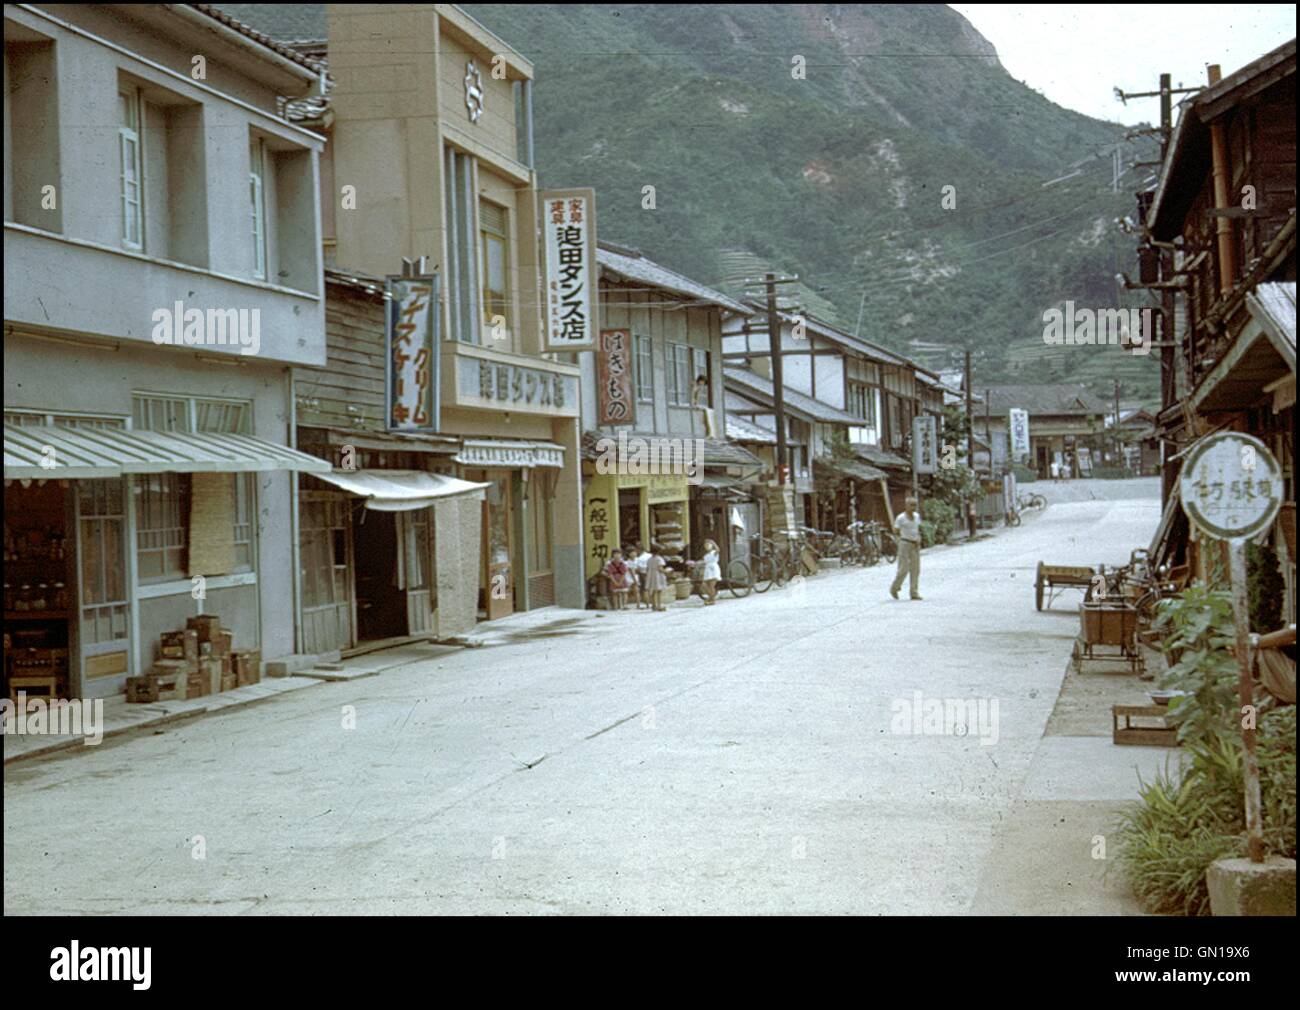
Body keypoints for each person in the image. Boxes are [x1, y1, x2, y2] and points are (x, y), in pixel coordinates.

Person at [889, 496, 923, 601]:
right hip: (904, 543)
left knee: (915, 569)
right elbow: (895, 531)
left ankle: (914, 592)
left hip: (915, 544)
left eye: (915, 505)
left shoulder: (917, 516)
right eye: (911, 505)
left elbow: (918, 529)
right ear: (906, 506)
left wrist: (919, 538)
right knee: (903, 569)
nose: (914, 507)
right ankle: (894, 587)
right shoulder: (901, 518)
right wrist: (900, 541)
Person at [643, 543, 670, 612]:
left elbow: (647, 568)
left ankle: (653, 605)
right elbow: (660, 568)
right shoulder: (659, 559)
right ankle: (659, 605)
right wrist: (666, 571)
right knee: (658, 591)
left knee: (653, 591)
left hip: (651, 576)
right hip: (658, 576)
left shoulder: (649, 559)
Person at [696, 539, 721, 605]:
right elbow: (703, 562)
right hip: (708, 570)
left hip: (713, 569)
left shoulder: (714, 552)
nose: (707, 546)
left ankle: (712, 600)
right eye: (706, 545)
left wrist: (713, 542)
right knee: (704, 585)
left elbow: (718, 550)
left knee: (711, 585)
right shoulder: (705, 555)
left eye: (708, 545)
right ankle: (711, 597)